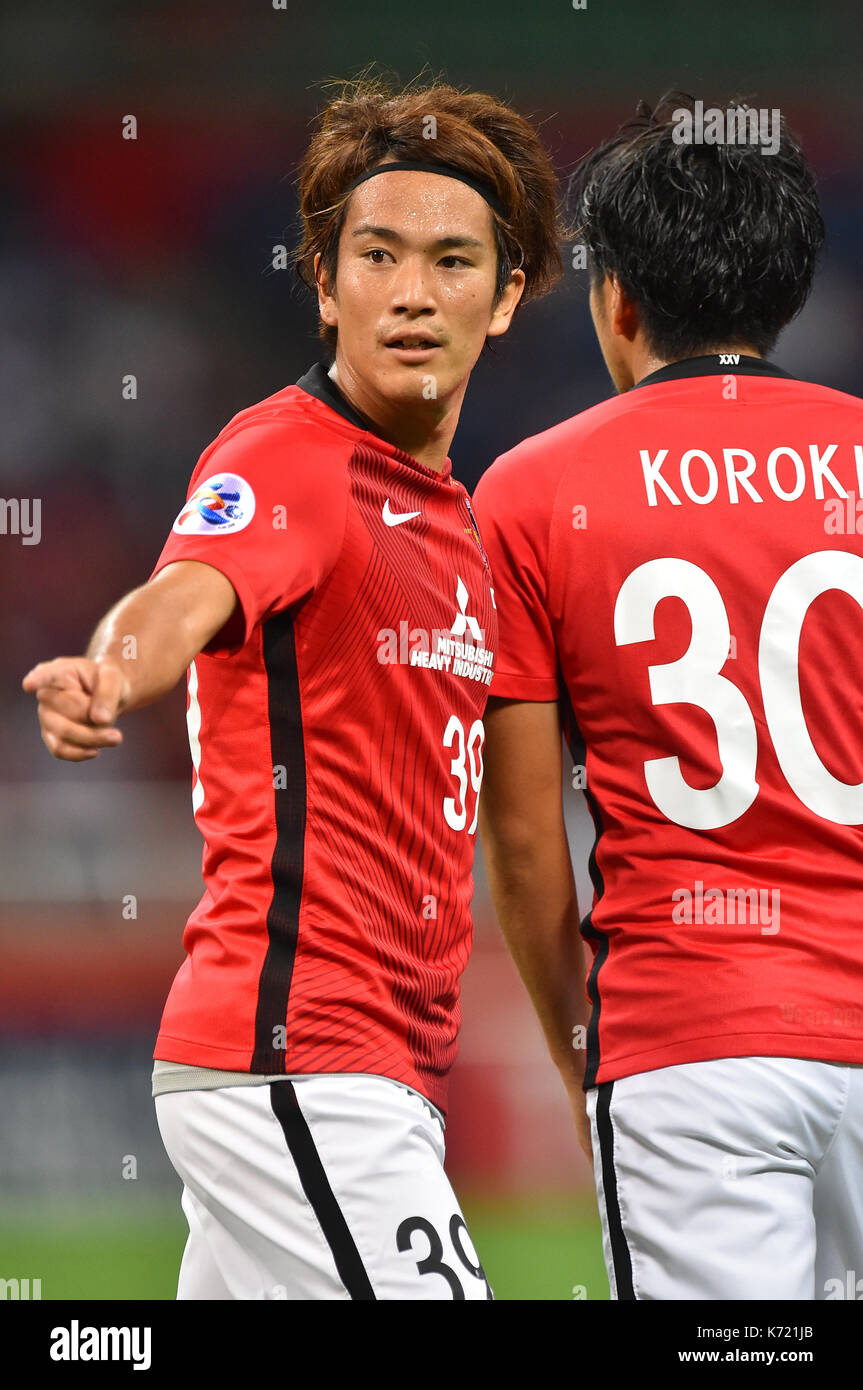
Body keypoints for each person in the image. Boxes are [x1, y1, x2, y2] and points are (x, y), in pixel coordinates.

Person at [22, 75, 563, 1300]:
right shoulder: (292, 460)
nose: (412, 293)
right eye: (376, 255)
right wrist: (108, 673)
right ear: (324, 281)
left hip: (362, 1075)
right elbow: (183, 591)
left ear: (508, 296)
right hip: (300, 1061)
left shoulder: (458, 529)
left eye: (450, 261)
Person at [472, 94, 863, 1300]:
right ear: (785, 288)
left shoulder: (528, 494)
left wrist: (580, 1050)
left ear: (616, 298)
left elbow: (529, 837)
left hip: (690, 1040)